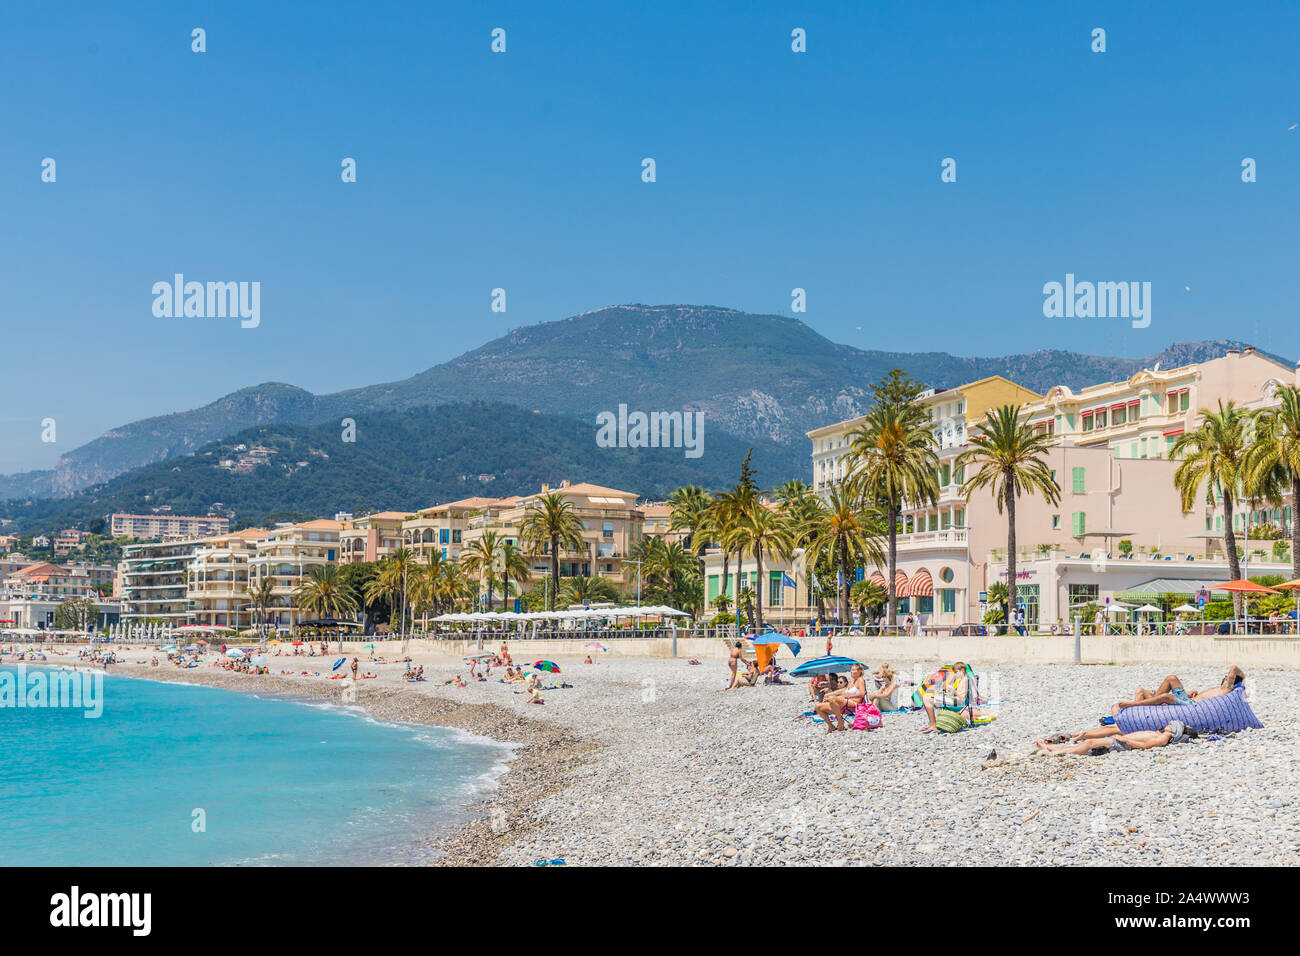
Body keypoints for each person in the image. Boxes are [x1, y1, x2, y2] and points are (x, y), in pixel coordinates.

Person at [1037, 721, 1196, 755]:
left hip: (1124, 745)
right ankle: (1058, 750)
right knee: (1090, 743)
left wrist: (1127, 740)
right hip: (1122, 741)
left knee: (1090, 743)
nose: (1168, 724)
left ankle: (1057, 751)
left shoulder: (1163, 738)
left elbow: (1146, 746)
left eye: (1172, 725)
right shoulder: (1160, 733)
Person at [813, 663, 867, 733]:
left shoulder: (860, 680)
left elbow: (862, 694)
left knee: (833, 699)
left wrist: (847, 696)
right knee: (818, 706)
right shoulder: (851, 681)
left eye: (853, 670)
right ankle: (831, 726)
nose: (851, 671)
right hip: (845, 703)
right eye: (851, 670)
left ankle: (840, 723)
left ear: (859, 671)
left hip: (855, 704)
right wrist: (831, 697)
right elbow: (844, 693)